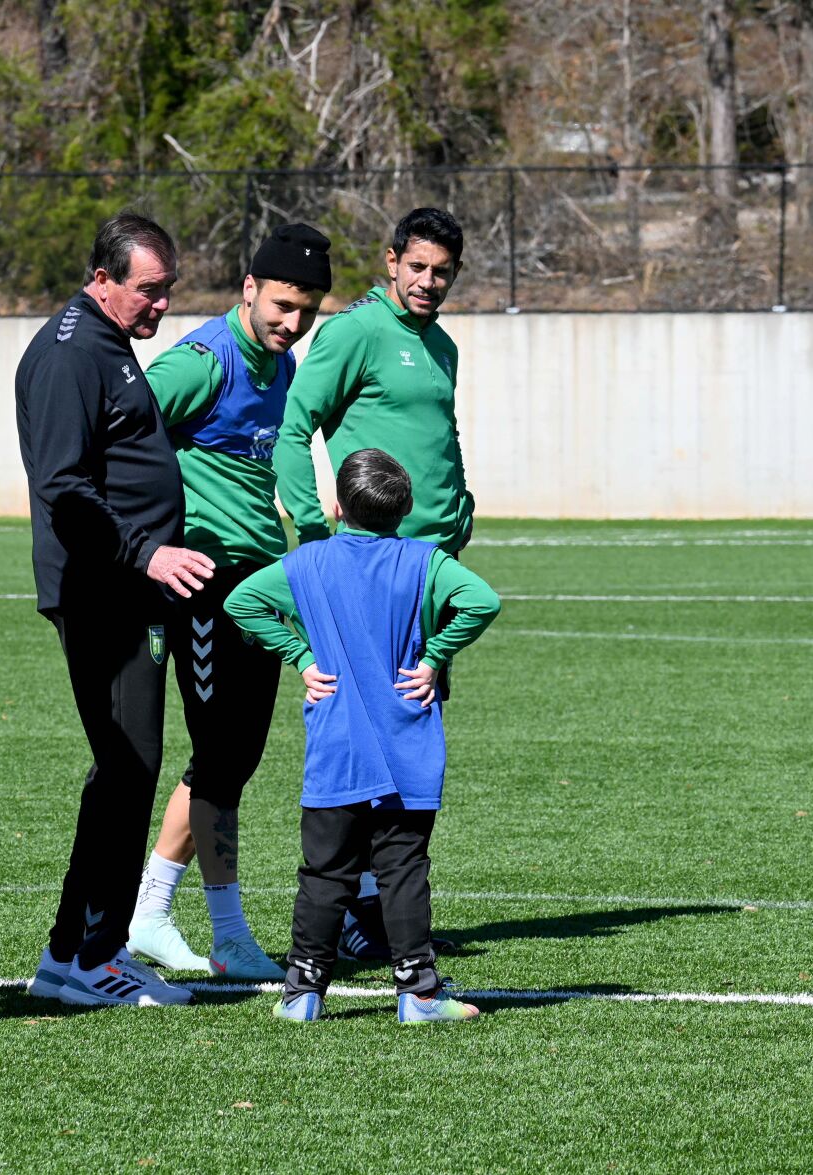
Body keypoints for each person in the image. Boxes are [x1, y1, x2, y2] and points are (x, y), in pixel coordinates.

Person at [14, 212, 216, 1008]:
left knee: (127, 769)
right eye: (149, 290)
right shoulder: (69, 354)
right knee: (127, 767)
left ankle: (72, 953)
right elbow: (62, 486)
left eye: (168, 290)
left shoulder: (106, 345)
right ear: (102, 279)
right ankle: (90, 955)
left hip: (128, 590)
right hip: (99, 592)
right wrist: (146, 553)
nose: (161, 306)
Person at [225, 448, 501, 1023]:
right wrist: (433, 658)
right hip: (407, 745)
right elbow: (483, 600)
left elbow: (241, 600)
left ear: (337, 506)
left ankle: (303, 994)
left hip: (335, 747)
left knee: (325, 873)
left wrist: (299, 658)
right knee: (403, 868)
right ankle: (418, 994)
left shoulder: (306, 563)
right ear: (404, 512)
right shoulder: (425, 562)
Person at [124, 224, 334, 981]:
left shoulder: (281, 362)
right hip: (201, 583)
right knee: (218, 754)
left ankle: (226, 930)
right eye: (281, 306)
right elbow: (121, 429)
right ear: (248, 289)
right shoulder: (203, 359)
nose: (291, 323)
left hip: (256, 583)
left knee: (236, 757)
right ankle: (151, 910)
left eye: (305, 312)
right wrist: (148, 541)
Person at [272, 207, 475, 961]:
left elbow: (441, 437)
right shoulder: (354, 332)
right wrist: (312, 529)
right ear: (390, 261)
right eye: (416, 266)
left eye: (442, 271)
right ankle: (357, 911)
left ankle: (381, 907)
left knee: (408, 739)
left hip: (423, 575)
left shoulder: (442, 345)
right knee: (361, 740)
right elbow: (297, 425)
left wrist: (462, 507)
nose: (428, 282)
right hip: (369, 571)